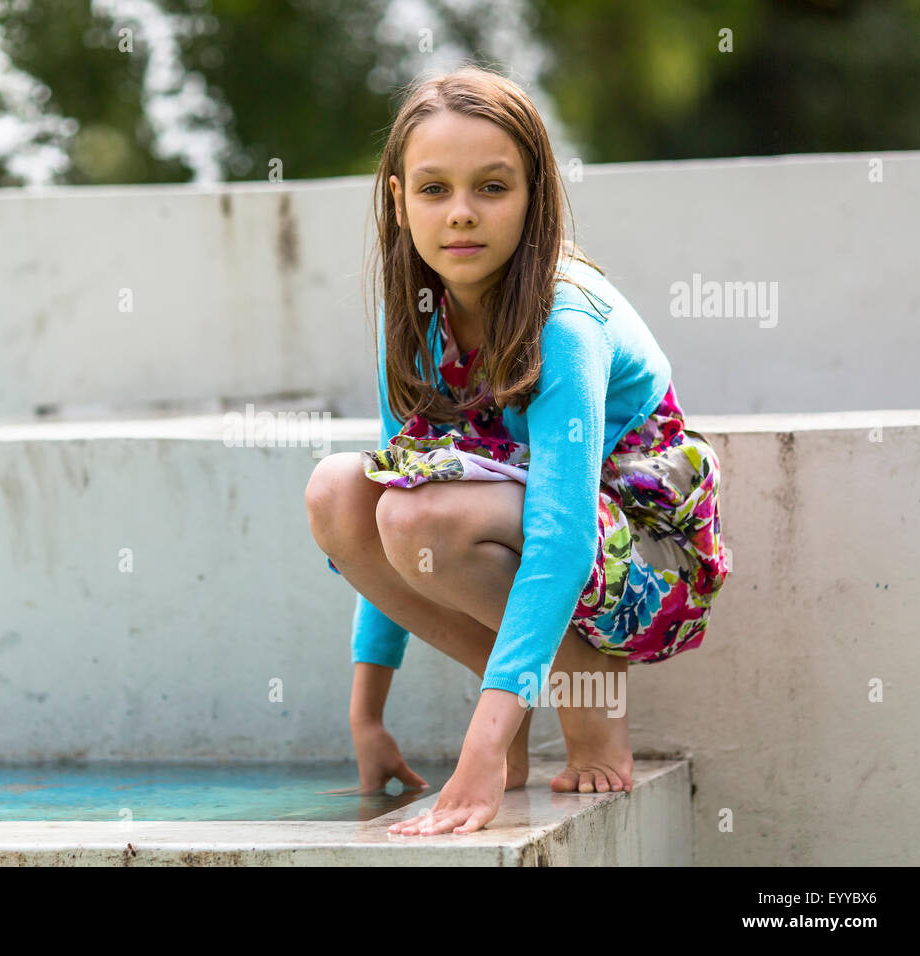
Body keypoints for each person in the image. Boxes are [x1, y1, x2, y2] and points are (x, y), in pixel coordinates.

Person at [304, 65, 731, 836]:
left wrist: (480, 745)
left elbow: (562, 534)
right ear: (399, 202)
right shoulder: (414, 315)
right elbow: (387, 472)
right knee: (339, 491)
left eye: (492, 188)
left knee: (419, 518)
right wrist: (366, 713)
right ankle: (532, 688)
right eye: (434, 190)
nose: (461, 215)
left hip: (641, 554)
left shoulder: (563, 321)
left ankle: (588, 695)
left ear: (535, 195)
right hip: (525, 518)